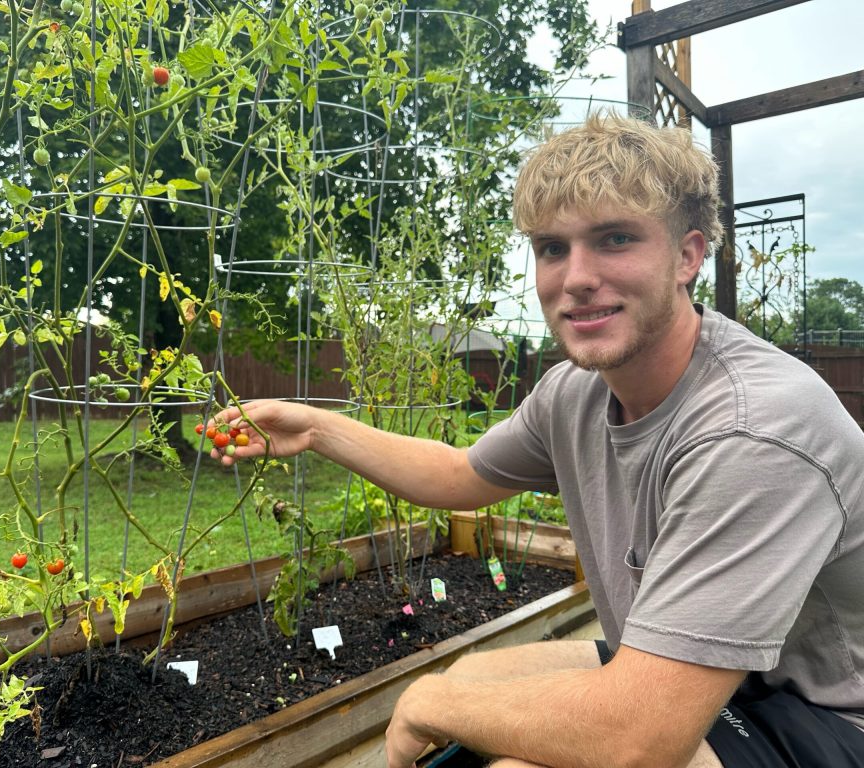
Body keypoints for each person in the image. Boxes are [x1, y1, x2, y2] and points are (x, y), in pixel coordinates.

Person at [212, 113, 864, 768]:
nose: (575, 276)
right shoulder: (573, 395)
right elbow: (457, 474)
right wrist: (319, 426)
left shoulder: (757, 427)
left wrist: (425, 701)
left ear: (688, 256)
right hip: (709, 670)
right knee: (472, 680)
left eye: (614, 239)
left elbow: (636, 741)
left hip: (831, 716)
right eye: (553, 247)